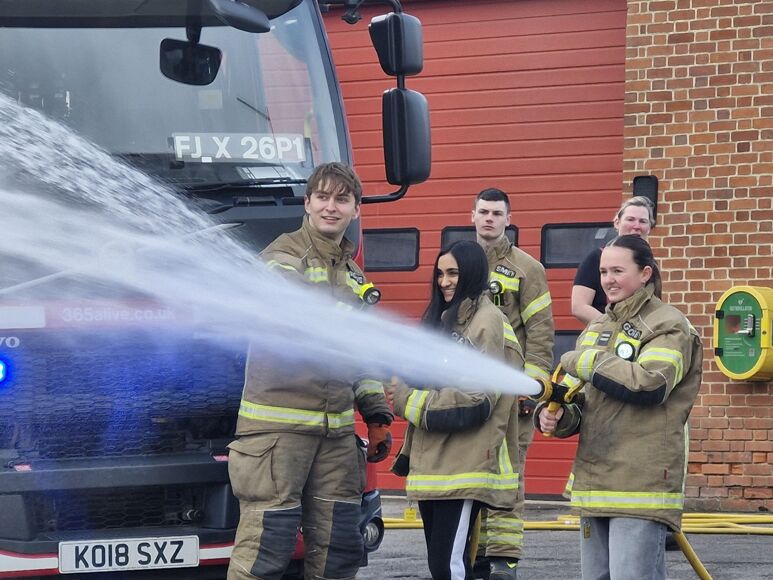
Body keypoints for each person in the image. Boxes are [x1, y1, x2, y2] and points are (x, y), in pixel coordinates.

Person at [227, 162, 394, 580]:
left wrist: (375, 414)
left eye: (342, 199)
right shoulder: (282, 258)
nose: (331, 208)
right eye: (322, 197)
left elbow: (360, 351)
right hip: (277, 435)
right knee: (267, 548)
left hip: (335, 435)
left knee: (339, 549)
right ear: (307, 203)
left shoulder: (352, 274)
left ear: (356, 209)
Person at [537, 234, 702, 580]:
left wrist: (589, 361)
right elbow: (579, 400)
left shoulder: (668, 324)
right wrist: (556, 416)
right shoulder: (598, 326)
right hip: (595, 483)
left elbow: (651, 383)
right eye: (603, 271)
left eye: (617, 271)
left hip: (639, 485)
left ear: (645, 274)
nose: (608, 280)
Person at [387, 240, 524, 580]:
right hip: (435, 462)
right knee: (443, 564)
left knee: (448, 567)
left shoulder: (487, 321)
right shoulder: (446, 320)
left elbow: (478, 397)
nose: (445, 281)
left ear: (473, 274)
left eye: (453, 273)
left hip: (464, 463)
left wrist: (408, 400)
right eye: (440, 274)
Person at [471, 188, 554, 579]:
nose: (489, 218)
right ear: (473, 216)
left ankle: (503, 558)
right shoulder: (460, 263)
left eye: (496, 213)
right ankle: (472, 552)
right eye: (483, 212)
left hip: (510, 394)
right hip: (469, 392)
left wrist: (532, 385)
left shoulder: (527, 268)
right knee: (470, 472)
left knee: (509, 475)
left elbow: (541, 333)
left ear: (508, 219)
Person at [571, 196, 655, 325]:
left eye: (643, 221)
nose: (636, 226)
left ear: (649, 226)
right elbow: (579, 307)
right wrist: (615, 328)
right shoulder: (597, 257)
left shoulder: (651, 263)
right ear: (617, 222)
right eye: (630, 219)